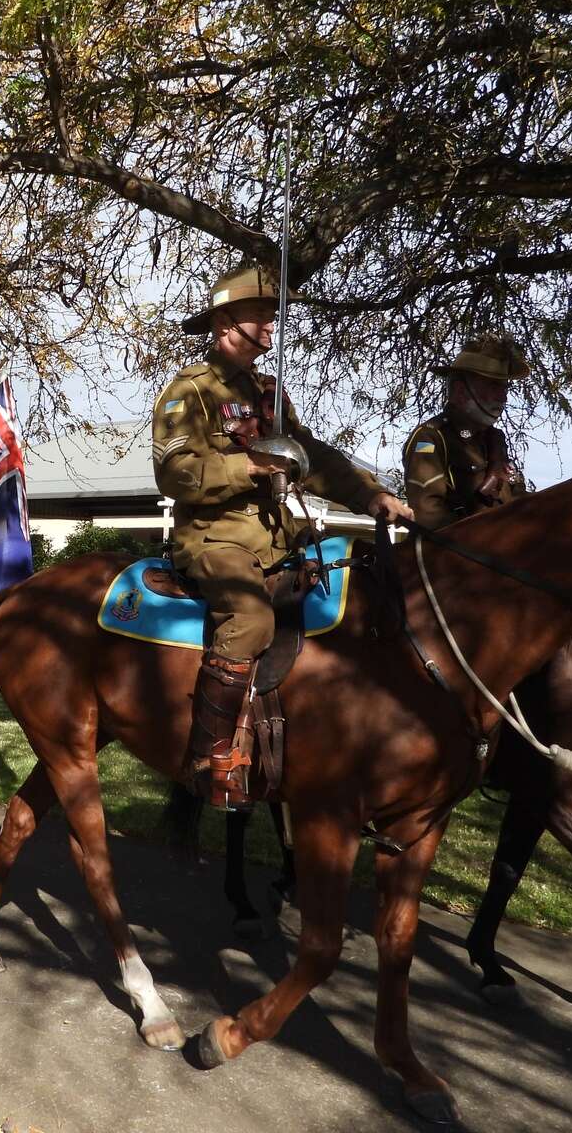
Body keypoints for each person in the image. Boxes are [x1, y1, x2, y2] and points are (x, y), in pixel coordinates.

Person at [151, 265, 413, 807]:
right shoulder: (189, 391)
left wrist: (372, 496)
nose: (273, 324)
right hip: (215, 539)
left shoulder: (270, 394)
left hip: (278, 540)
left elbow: (311, 457)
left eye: (274, 315)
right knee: (250, 618)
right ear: (225, 322)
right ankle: (210, 759)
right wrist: (247, 466)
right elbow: (174, 475)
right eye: (261, 314)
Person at [403, 338, 530, 530]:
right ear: (460, 390)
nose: (503, 397)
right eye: (493, 386)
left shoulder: (494, 440)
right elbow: (429, 516)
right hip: (455, 547)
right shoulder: (431, 438)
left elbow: (518, 501)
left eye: (504, 388)